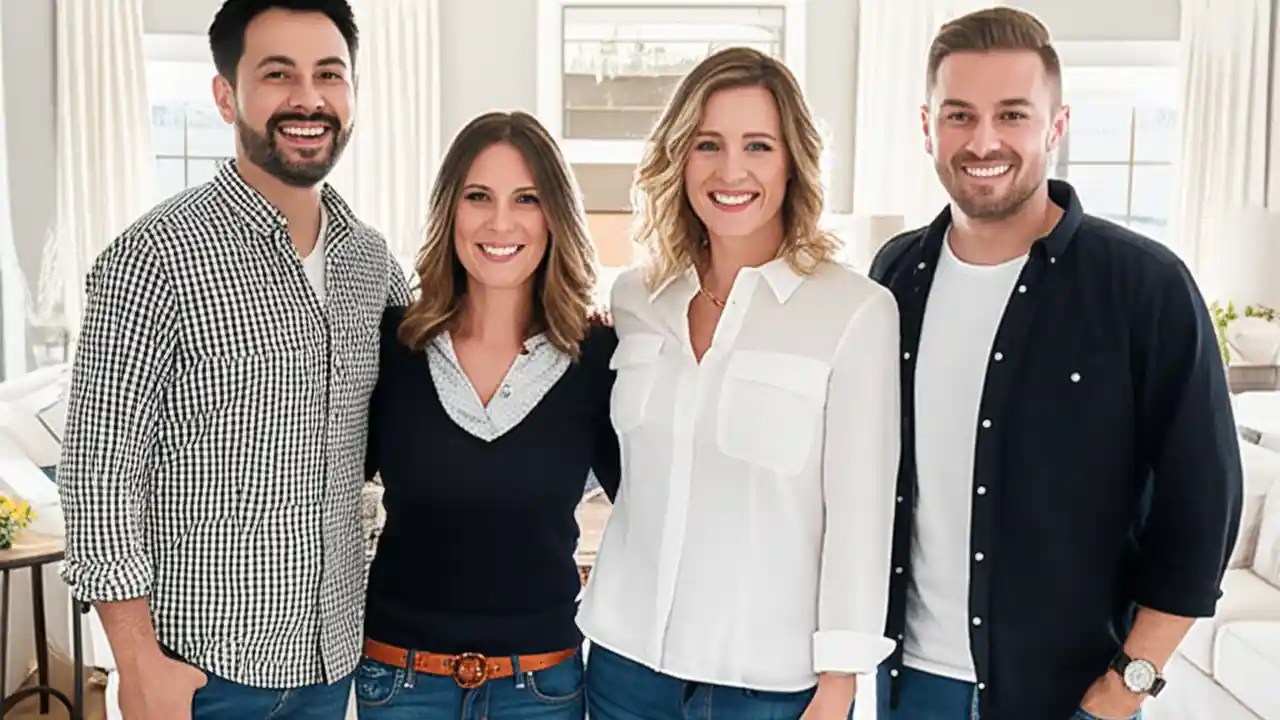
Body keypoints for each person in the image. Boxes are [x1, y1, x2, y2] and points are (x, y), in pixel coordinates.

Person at [869, 7, 1243, 719]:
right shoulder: (895, 275)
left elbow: (1204, 506)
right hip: (910, 684)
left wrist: (1126, 685)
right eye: (959, 115)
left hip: (1072, 695)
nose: (984, 141)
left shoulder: (1145, 287)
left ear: (1056, 126)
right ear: (927, 127)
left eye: (1012, 114)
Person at [57, 1, 407, 718]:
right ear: (225, 94)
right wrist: (136, 662)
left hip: (335, 657)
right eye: (278, 74)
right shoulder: (152, 258)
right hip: (202, 675)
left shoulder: (372, 265)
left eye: (329, 74)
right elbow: (97, 475)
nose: (308, 98)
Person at [578, 46, 901, 720]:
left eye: (758, 145)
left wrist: (839, 683)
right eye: (708, 144)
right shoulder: (638, 295)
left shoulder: (855, 312)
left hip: (766, 686)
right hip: (624, 667)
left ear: (792, 163)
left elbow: (860, 518)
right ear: (679, 158)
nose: (732, 171)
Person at [354, 110, 618, 720]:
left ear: (555, 215)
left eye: (526, 198)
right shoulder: (395, 345)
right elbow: (319, 488)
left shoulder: (599, 355)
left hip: (542, 690)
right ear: (450, 210)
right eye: (479, 197)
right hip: (399, 684)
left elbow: (651, 509)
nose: (501, 222)